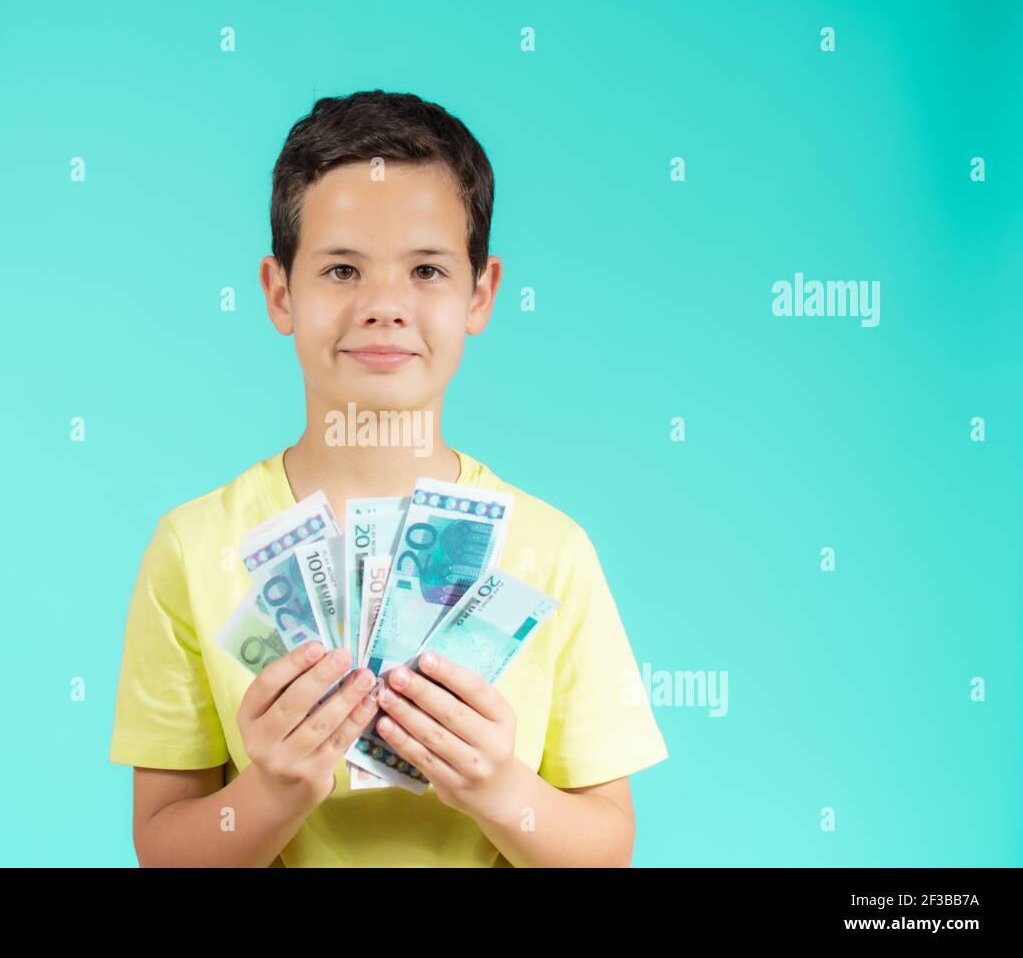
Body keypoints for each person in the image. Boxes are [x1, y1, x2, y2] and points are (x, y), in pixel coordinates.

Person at [109, 89, 668, 867]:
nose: (384, 307)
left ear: (481, 293)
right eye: (341, 269)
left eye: (428, 270)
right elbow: (162, 849)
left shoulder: (552, 551)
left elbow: (609, 850)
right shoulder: (192, 547)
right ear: (280, 292)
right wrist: (269, 792)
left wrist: (498, 787)